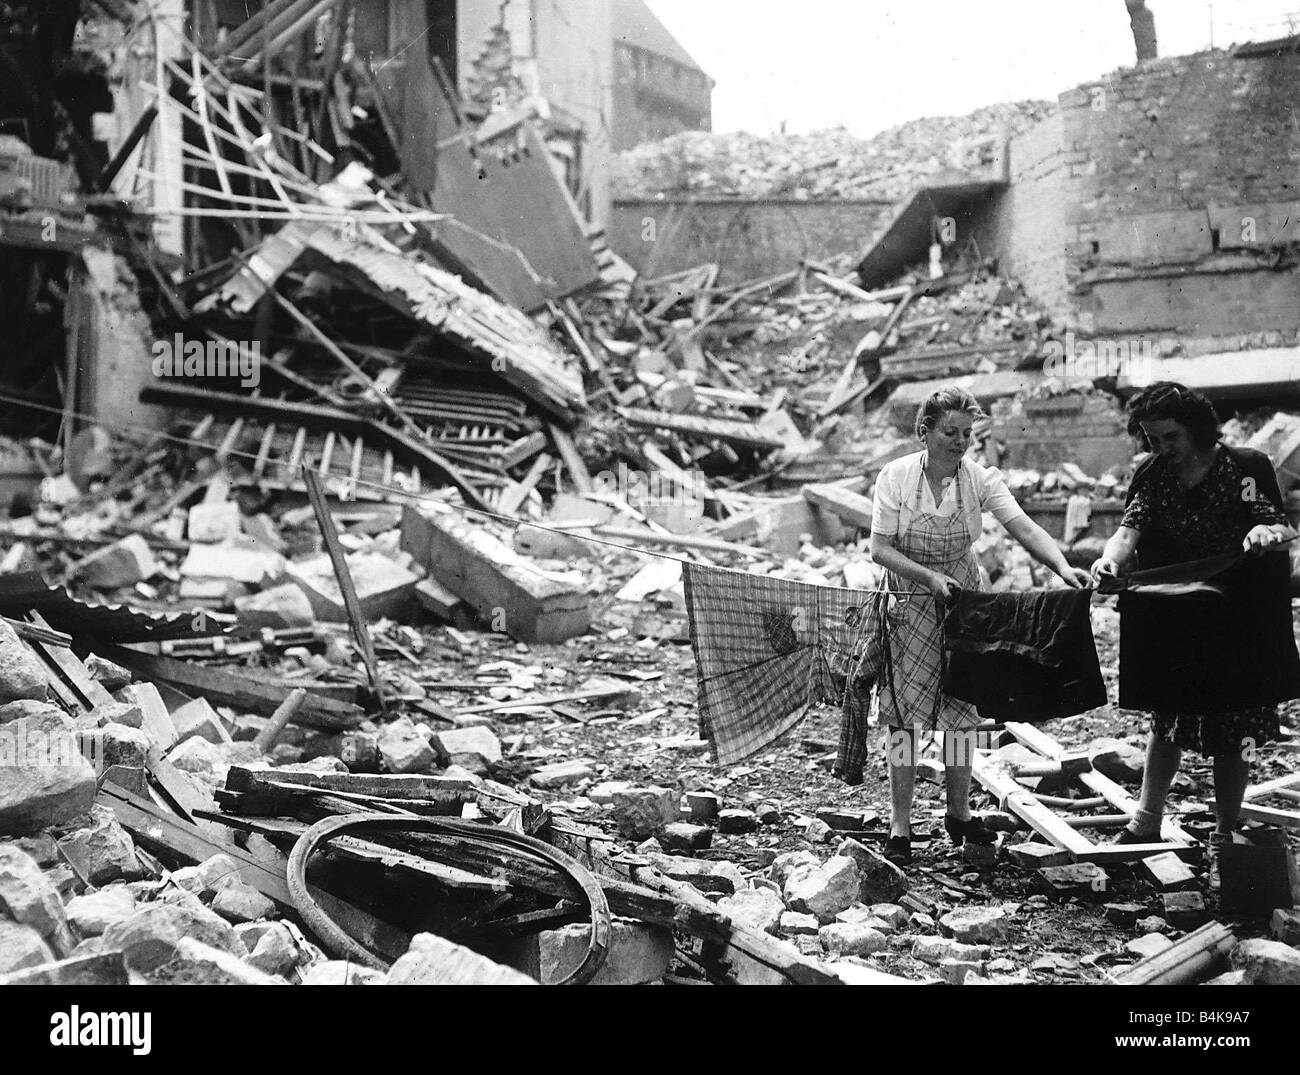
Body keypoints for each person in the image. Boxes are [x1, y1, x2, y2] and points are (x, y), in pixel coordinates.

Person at [869, 387, 1093, 866]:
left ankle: (958, 811)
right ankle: (900, 825)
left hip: (963, 599)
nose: (960, 442)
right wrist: (928, 577)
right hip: (909, 596)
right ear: (924, 431)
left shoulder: (978, 480)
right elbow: (880, 549)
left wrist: (1062, 568)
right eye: (950, 432)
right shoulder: (897, 477)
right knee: (904, 714)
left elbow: (1025, 528)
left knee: (962, 706)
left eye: (967, 433)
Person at [1091, 382, 1300, 849]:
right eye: (1152, 439)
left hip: (1237, 619)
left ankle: (1228, 828)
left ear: (1196, 430)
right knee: (1169, 718)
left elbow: (1275, 521)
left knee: (1234, 724)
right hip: (1179, 619)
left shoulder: (1244, 467)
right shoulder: (1154, 474)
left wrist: (1263, 531)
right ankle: (1146, 819)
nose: (1162, 448)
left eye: (1172, 437)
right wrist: (1110, 561)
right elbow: (1129, 533)